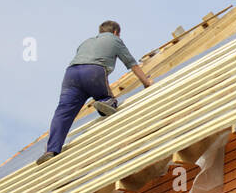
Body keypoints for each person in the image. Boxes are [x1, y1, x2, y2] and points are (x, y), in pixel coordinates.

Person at [38, 21, 152, 164]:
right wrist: (147, 83)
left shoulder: (86, 42)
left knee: (63, 112)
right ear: (116, 32)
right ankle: (106, 102)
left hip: (71, 74)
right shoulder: (115, 40)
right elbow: (131, 63)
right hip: (93, 71)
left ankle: (51, 149)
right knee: (106, 96)